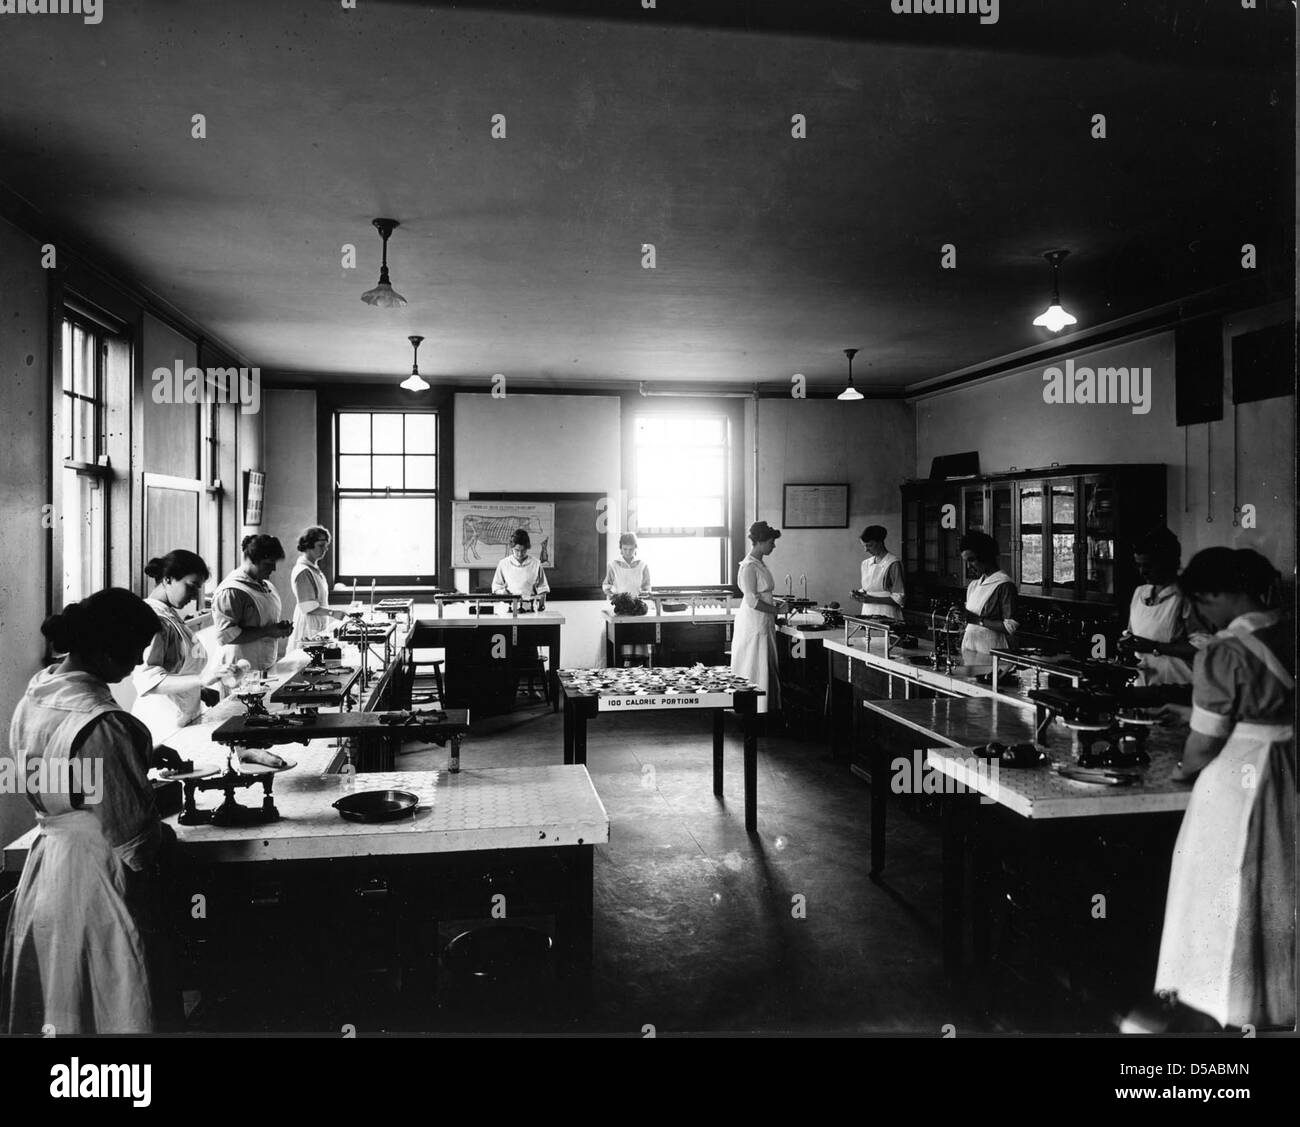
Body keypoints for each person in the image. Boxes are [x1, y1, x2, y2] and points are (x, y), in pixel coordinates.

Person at [1, 588, 178, 1034]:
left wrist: (138, 756)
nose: (138, 663)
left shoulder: (34, 697)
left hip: (49, 866)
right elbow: (136, 839)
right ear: (104, 652)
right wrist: (165, 828)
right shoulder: (105, 721)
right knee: (113, 996)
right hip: (100, 873)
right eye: (134, 652)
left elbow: (56, 773)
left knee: (62, 1000)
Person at [1138, 548, 1294, 1032]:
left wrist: (1182, 769)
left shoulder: (1223, 653)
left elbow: (1204, 749)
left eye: (1203, 605)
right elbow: (1265, 711)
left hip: (1242, 786)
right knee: (1279, 887)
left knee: (1228, 888)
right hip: (1287, 769)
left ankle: (1222, 1000)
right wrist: (1195, 715)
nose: (1202, 615)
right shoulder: (1288, 630)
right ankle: (1278, 1000)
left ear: (1217, 595)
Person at [131, 550, 232, 750]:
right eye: (191, 586)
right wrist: (202, 680)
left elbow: (177, 668)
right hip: (163, 719)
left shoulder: (169, 614)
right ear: (168, 579)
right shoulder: (153, 619)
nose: (194, 596)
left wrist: (200, 690)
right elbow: (149, 681)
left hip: (183, 712)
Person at [1117, 528, 1211, 687]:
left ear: (1168, 562)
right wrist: (1125, 643)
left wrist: (1155, 647)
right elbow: (1131, 633)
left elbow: (1203, 646)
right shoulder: (1140, 593)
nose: (1142, 572)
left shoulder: (1184, 596)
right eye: (1138, 565)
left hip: (1178, 684)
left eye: (1148, 566)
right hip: (1144, 683)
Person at [212, 534, 293, 673]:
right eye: (268, 564)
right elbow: (224, 637)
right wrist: (268, 631)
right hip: (238, 668)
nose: (273, 569)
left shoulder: (265, 585)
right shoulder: (232, 591)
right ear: (251, 560)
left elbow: (263, 623)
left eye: (274, 563)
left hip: (263, 663)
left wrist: (278, 628)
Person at [730, 521, 784, 716]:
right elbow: (752, 601)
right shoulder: (748, 567)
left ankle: (764, 709)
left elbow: (763, 593)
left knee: (764, 662)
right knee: (754, 662)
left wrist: (775, 605)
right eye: (771, 542)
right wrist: (777, 610)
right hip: (753, 621)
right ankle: (751, 711)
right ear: (760, 542)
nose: (773, 546)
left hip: (763, 620)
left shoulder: (759, 563)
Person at [287, 526, 350, 653]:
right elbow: (307, 607)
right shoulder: (303, 571)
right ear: (308, 545)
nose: (325, 549)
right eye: (321, 545)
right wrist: (333, 613)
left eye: (326, 546)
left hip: (316, 624)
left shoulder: (314, 569)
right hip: (308, 625)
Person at [957, 530, 1019, 654]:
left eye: (972, 560)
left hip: (992, 652)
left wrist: (978, 621)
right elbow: (969, 622)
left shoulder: (1004, 585)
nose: (969, 567)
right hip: (970, 649)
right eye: (967, 562)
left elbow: (1010, 627)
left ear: (985, 555)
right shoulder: (974, 585)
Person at [854, 525, 905, 620]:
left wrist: (871, 599)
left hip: (887, 613)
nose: (866, 550)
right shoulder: (866, 563)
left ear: (880, 543)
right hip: (867, 612)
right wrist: (859, 593)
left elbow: (900, 598)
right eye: (864, 546)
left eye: (869, 545)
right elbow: (870, 588)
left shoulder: (893, 563)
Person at [491, 529, 551, 601]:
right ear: (512, 548)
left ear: (527, 548)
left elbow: (543, 587)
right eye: (517, 550)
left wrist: (541, 603)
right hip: (508, 607)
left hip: (530, 606)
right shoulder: (503, 563)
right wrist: (502, 592)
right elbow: (496, 586)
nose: (520, 554)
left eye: (523, 550)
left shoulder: (536, 563)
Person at [603, 533, 653, 600]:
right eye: (625, 549)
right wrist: (614, 597)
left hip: (637, 604)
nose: (628, 552)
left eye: (631, 549)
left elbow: (647, 587)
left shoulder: (643, 566)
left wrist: (645, 593)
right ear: (620, 548)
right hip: (619, 604)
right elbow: (606, 587)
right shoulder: (613, 566)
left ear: (635, 548)